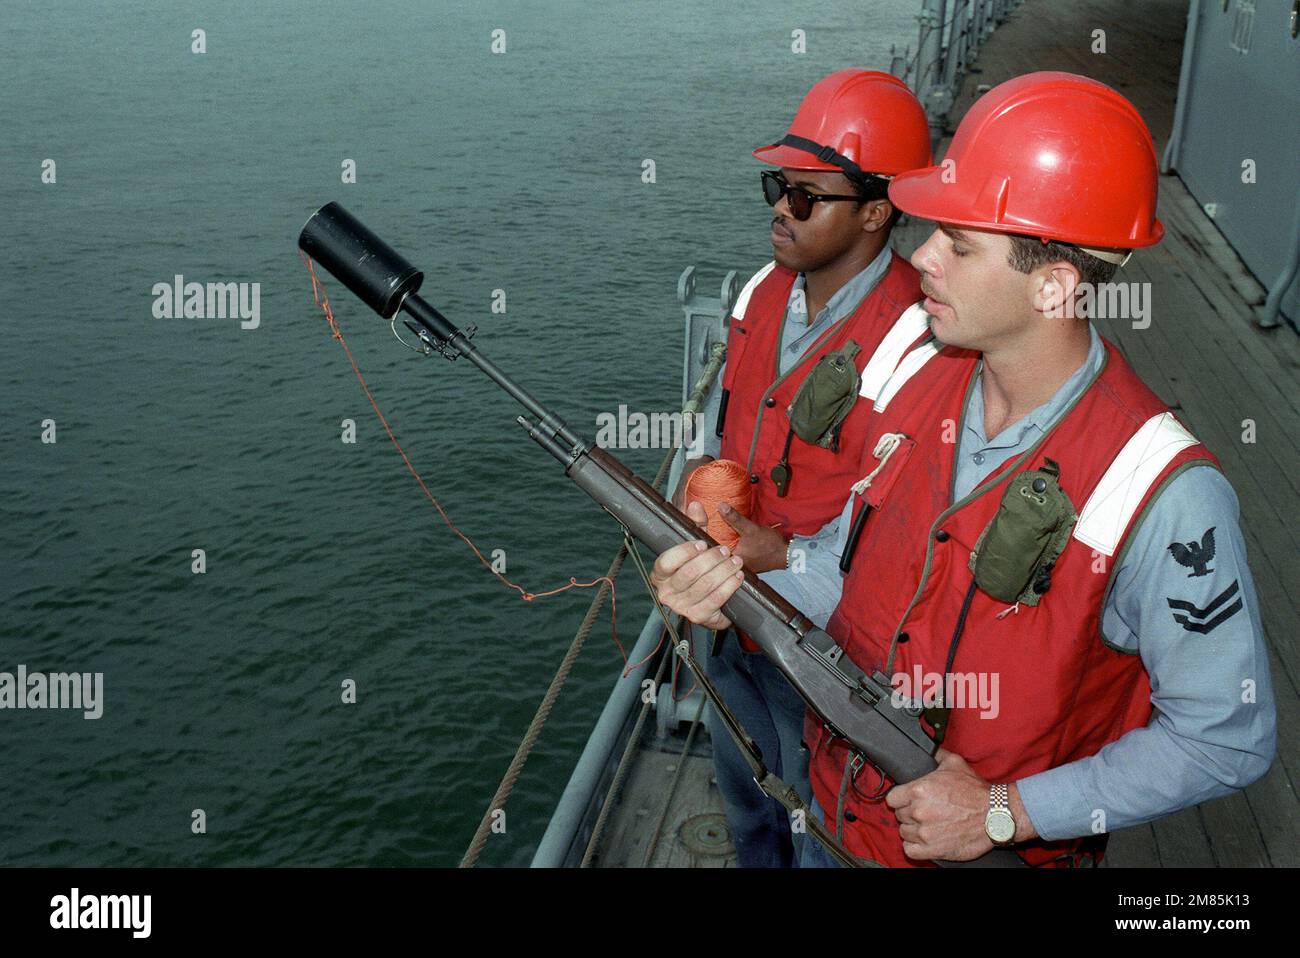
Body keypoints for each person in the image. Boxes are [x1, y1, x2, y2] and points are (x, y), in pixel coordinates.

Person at [655, 71, 1276, 868]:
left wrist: (1003, 811)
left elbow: (1227, 736)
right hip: (835, 821)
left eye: (960, 243)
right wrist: (730, 586)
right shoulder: (917, 388)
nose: (925, 259)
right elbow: (837, 570)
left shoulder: (1164, 493)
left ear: (1054, 284)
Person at [671, 69, 932, 867]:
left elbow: (903, 532)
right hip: (731, 621)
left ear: (877, 212)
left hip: (822, 649)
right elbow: (722, 434)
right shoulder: (759, 291)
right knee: (750, 808)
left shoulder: (922, 342)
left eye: (806, 197)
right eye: (777, 188)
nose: (781, 210)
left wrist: (781, 558)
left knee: (817, 827)